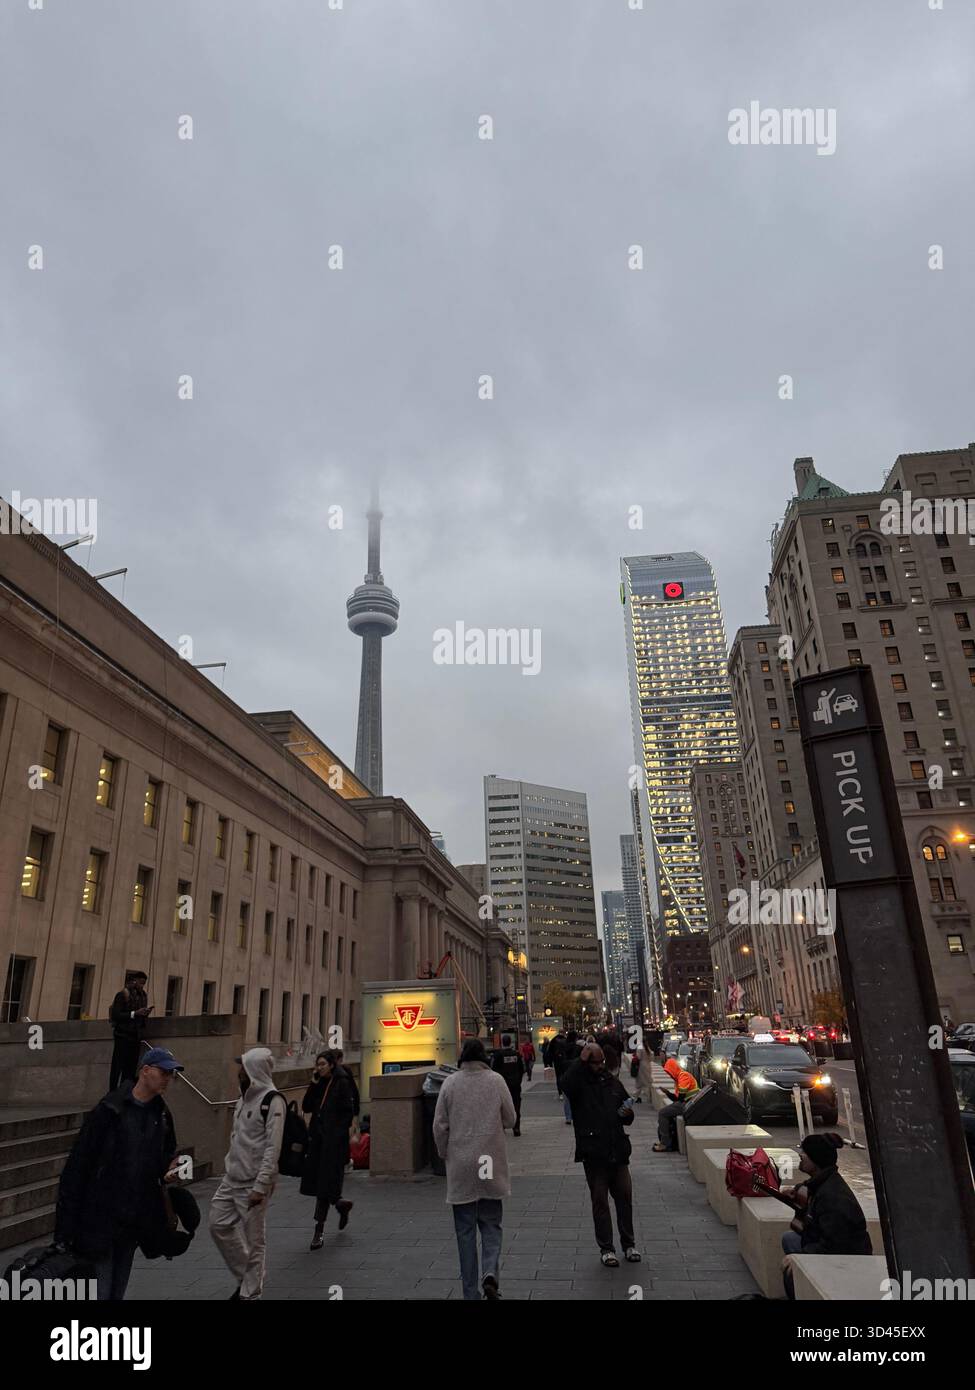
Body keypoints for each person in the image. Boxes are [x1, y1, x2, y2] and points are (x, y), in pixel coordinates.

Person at [55, 1047, 184, 1300]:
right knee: (101, 1291)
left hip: (133, 1221)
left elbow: (165, 1155)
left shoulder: (161, 1114)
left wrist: (170, 1168)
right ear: (145, 1071)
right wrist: (64, 1231)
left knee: (116, 1291)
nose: (168, 1078)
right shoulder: (109, 1110)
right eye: (164, 1072)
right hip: (101, 1218)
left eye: (171, 1074)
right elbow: (78, 1168)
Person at [433, 1038, 516, 1301]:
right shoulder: (495, 1081)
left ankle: (471, 1293)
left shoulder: (450, 1083)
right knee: (491, 1224)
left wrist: (443, 1152)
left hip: (461, 1163)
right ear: (484, 1057)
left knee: (465, 1232)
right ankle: (489, 1272)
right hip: (488, 1162)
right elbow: (511, 1118)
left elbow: (439, 1126)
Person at [209, 1047, 286, 1300]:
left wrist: (261, 1186)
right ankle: (247, 1277)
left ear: (253, 1070)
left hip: (253, 1183)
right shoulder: (243, 1098)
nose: (239, 1071)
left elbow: (273, 1148)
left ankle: (251, 1293)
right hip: (231, 1178)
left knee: (255, 1241)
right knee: (218, 1224)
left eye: (242, 1066)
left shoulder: (272, 1101)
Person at [561, 1043, 640, 1267]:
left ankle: (629, 1244)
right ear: (587, 1062)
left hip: (618, 1150)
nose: (599, 1067)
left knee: (624, 1199)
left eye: (601, 1062)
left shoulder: (612, 1082)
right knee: (600, 1202)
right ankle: (606, 1248)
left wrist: (627, 1113)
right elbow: (564, 1084)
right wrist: (580, 1059)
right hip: (594, 1153)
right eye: (594, 1063)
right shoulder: (579, 1085)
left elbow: (626, 1113)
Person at [780, 1132, 872, 1299]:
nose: (801, 1156)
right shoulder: (824, 1180)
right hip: (826, 1242)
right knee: (789, 1238)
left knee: (791, 1266)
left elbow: (834, 1246)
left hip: (847, 1259)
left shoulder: (834, 1199)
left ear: (816, 1160)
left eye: (805, 1153)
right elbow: (810, 1186)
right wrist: (796, 1192)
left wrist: (800, 1259)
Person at [301, 1049, 356, 1247]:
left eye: (323, 1064)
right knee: (322, 1186)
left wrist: (337, 1134)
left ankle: (319, 1230)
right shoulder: (320, 1083)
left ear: (332, 1065)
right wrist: (313, 1084)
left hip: (334, 1144)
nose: (319, 1068)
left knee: (323, 1187)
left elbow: (347, 1112)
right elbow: (306, 1106)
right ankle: (340, 1204)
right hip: (318, 1142)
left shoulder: (342, 1082)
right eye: (318, 1064)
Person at [108, 970, 151, 1091]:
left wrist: (144, 1013)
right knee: (117, 1066)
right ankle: (113, 1092)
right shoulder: (123, 994)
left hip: (136, 1036)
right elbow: (116, 1014)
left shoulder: (143, 995)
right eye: (140, 982)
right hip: (122, 1035)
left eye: (144, 983)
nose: (142, 985)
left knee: (131, 1067)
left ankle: (125, 1091)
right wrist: (134, 1013)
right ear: (134, 981)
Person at [653, 1055, 699, 1152]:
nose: (669, 1075)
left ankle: (665, 1143)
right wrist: (667, 1093)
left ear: (673, 1069)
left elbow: (681, 1097)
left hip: (689, 1104)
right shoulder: (679, 1078)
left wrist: (673, 1098)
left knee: (662, 1113)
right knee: (665, 1112)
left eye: (669, 1073)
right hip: (686, 1103)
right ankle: (665, 1140)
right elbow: (677, 1099)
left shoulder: (683, 1076)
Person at [491, 1033, 526, 1136]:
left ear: (502, 1042)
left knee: (501, 1106)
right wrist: (518, 1080)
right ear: (511, 1042)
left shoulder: (498, 1055)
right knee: (516, 1106)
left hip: (503, 1085)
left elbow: (494, 1070)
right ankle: (516, 1128)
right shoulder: (516, 1054)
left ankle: (503, 1126)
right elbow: (521, 1069)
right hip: (515, 1084)